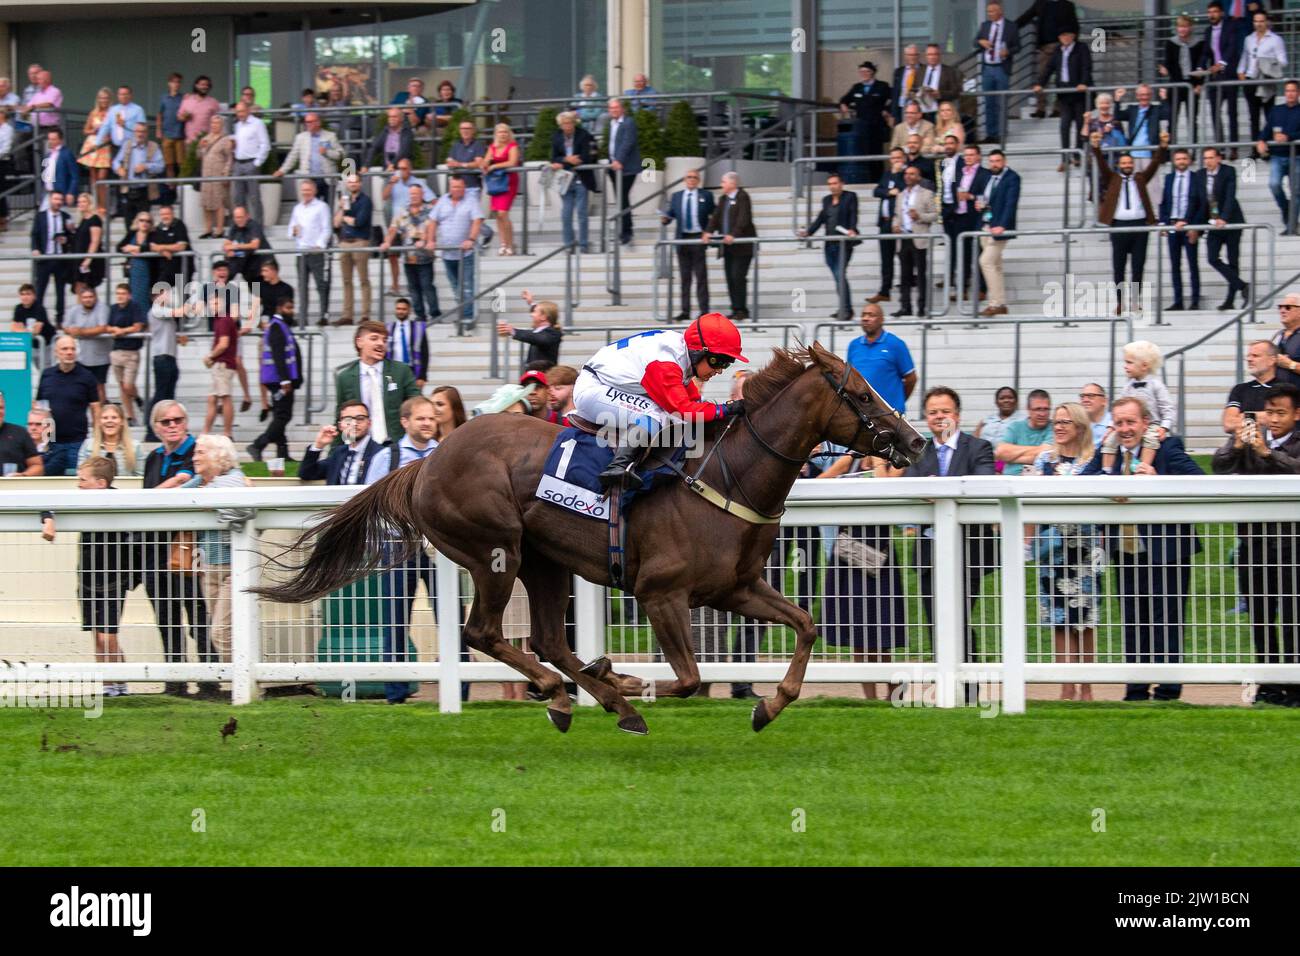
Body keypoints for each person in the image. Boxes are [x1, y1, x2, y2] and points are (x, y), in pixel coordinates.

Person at [1081, 397, 1204, 702]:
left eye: (1131, 422)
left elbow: (1199, 480)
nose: (1125, 429)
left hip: (1167, 550)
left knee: (1166, 619)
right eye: (1119, 422)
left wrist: (1159, 481)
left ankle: (1167, 689)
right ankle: (1136, 688)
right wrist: (1105, 480)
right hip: (1125, 551)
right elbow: (1083, 482)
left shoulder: (1168, 447)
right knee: (1133, 619)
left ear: (1146, 423)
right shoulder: (1108, 452)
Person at [574, 314, 748, 490]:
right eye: (716, 361)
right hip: (594, 388)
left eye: (726, 364)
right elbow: (684, 410)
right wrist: (726, 409)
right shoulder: (666, 363)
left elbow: (694, 401)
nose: (719, 370)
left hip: (610, 384)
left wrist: (721, 412)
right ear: (698, 351)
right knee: (654, 413)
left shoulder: (680, 354)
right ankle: (617, 467)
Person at [904, 386, 998, 704]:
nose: (939, 417)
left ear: (957, 415)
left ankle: (970, 690)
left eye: (944, 411)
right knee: (935, 620)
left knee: (958, 619)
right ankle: (946, 688)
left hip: (967, 553)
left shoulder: (979, 447)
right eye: (932, 412)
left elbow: (983, 484)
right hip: (929, 553)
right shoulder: (919, 450)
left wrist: (941, 489)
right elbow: (908, 483)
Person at [1212, 382, 1300, 706]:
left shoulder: (1282, 443)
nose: (1274, 419)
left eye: (1282, 412)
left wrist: (1267, 453)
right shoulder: (1250, 438)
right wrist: (1237, 445)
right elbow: (1219, 466)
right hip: (1254, 543)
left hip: (1292, 545)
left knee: (1292, 617)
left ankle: (1295, 686)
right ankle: (1269, 684)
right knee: (1261, 617)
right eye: (1271, 412)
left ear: (1296, 414)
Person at [1027, 402, 1100, 702]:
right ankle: (1064, 685)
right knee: (1058, 619)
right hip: (1052, 554)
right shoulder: (1044, 460)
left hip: (1084, 553)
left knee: (1084, 620)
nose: (1058, 427)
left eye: (1065, 422)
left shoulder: (1092, 462)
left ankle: (1087, 687)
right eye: (1056, 422)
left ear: (1080, 428)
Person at [141, 401, 210, 697]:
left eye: (177, 420)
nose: (172, 425)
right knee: (166, 617)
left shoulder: (200, 451)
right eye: (166, 422)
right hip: (157, 550)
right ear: (156, 427)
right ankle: (176, 681)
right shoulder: (153, 457)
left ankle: (210, 680)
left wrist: (171, 486)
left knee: (199, 616)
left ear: (186, 421)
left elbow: (189, 487)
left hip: (190, 547)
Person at [56, 456, 137, 697]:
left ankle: (120, 683)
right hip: (87, 579)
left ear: (101, 483)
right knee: (96, 634)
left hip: (113, 581)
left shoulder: (121, 501)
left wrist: (130, 578)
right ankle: (108, 686)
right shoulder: (79, 500)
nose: (78, 484)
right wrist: (47, 520)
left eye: (82, 480)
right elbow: (48, 506)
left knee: (108, 635)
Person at [181, 434, 253, 691]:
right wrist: (198, 483)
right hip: (209, 568)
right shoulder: (205, 482)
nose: (194, 456)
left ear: (218, 455)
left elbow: (230, 502)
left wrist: (203, 493)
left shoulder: (233, 478)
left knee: (221, 632)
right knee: (227, 631)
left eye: (200, 452)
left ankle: (243, 687)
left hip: (234, 569)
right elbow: (179, 498)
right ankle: (245, 685)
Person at [1090, 128, 1169, 313]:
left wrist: (1162, 147)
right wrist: (1096, 147)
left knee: (1138, 267)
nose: (1126, 165)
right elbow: (1101, 165)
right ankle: (1119, 302)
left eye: (1129, 162)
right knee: (1119, 267)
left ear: (1133, 165)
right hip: (1119, 226)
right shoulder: (1114, 179)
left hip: (1139, 226)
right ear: (1119, 165)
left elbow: (1155, 163)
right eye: (1123, 162)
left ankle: (1135, 301)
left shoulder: (1140, 178)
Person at [333, 321, 421, 446]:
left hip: (395, 445)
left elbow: (417, 405)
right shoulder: (345, 377)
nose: (380, 343)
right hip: (360, 446)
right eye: (374, 338)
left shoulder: (401, 371)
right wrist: (336, 452)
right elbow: (341, 417)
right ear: (359, 342)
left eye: (384, 340)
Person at [1100, 340, 1176, 474]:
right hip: (1130, 423)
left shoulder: (1156, 385)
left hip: (1153, 424)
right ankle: (1106, 471)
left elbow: (1168, 408)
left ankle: (1142, 468)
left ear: (1144, 365)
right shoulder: (1127, 386)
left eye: (1129, 363)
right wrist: (1111, 426)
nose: (1125, 366)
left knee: (1151, 439)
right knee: (1110, 440)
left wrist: (1164, 427)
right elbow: (1119, 410)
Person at [37, 336, 101, 477]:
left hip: (77, 442)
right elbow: (39, 406)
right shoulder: (46, 375)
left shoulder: (87, 376)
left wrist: (97, 437)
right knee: (47, 483)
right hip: (51, 443)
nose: (69, 352)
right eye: (65, 349)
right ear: (56, 352)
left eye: (72, 348)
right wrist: (43, 439)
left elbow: (96, 408)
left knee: (77, 481)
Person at [247, 298, 302, 463]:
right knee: (283, 416)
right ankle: (258, 444)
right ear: (279, 308)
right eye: (288, 307)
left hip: (278, 379)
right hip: (279, 380)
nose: (291, 310)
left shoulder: (279, 326)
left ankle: (282, 452)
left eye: (292, 307)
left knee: (281, 415)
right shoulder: (278, 327)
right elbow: (279, 355)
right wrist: (285, 381)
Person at [800, 173, 859, 319]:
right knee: (838, 277)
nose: (832, 186)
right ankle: (844, 308)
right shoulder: (826, 200)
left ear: (841, 184)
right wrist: (809, 232)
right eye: (830, 184)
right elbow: (821, 218)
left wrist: (852, 228)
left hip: (843, 243)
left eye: (835, 183)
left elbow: (853, 214)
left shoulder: (850, 196)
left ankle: (846, 310)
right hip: (829, 244)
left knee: (840, 276)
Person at [1198, 145, 1249, 311]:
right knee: (1212, 258)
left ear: (1218, 158)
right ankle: (1242, 286)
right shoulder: (1199, 175)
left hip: (1231, 221)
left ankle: (1230, 299)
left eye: (1211, 158)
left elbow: (1229, 196)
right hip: (1212, 223)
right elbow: (1198, 201)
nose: (1208, 161)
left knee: (1233, 261)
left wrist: (1224, 218)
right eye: (1205, 158)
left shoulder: (1228, 171)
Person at [431, 175, 484, 330]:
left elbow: (477, 221)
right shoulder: (442, 201)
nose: (456, 190)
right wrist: (430, 240)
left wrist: (471, 239)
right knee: (455, 287)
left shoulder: (471, 200)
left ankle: (467, 319)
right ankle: (464, 314)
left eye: (459, 187)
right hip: (448, 254)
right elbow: (433, 221)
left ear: (464, 187)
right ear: (450, 187)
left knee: (466, 286)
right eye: (454, 187)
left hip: (465, 254)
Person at [1157, 147, 1207, 312]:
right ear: (1173, 161)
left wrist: (1195, 227)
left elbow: (1202, 204)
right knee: (1175, 265)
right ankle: (1178, 300)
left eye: (1184, 159)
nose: (1181, 162)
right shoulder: (1169, 178)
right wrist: (1163, 223)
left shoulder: (1197, 178)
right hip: (1172, 225)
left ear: (1189, 161)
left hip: (1189, 226)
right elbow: (1164, 202)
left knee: (1193, 264)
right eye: (1178, 159)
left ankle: (1195, 300)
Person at [1033, 28, 1092, 166]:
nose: (1065, 37)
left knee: (1080, 124)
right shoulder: (1058, 50)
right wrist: (1040, 84)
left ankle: (1077, 155)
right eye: (1062, 35)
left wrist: (1083, 82)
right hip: (1064, 94)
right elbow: (1049, 68)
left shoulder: (1081, 48)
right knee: (1064, 125)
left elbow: (1086, 67)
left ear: (1073, 36)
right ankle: (1064, 158)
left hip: (1078, 93)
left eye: (1067, 34)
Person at [844, 302, 916, 415]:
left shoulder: (896, 344)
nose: (866, 318)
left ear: (881, 320)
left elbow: (911, 379)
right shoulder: (854, 346)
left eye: (871, 315)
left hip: (891, 416)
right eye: (863, 315)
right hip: (864, 416)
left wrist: (897, 402)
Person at [661, 168, 714, 321]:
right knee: (685, 278)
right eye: (689, 177)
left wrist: (709, 231)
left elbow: (715, 214)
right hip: (682, 239)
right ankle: (685, 310)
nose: (691, 179)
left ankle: (704, 310)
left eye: (694, 177)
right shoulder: (677, 196)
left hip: (698, 237)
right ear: (685, 180)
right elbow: (671, 214)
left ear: (698, 180)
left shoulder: (706, 195)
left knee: (701, 276)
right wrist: (665, 219)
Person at [703, 171, 756, 321]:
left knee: (737, 276)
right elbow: (716, 217)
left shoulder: (743, 197)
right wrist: (708, 231)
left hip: (742, 245)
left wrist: (734, 234)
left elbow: (744, 218)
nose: (721, 185)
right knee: (730, 278)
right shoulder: (723, 199)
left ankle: (742, 309)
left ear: (732, 183)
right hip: (727, 246)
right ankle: (735, 308)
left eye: (723, 182)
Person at [299, 399, 391, 485]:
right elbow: (307, 473)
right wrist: (319, 445)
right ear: (340, 426)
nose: (354, 424)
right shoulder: (339, 453)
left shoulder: (381, 454)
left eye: (360, 418)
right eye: (348, 419)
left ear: (369, 423)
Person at [381, 183, 437, 323]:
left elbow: (432, 229)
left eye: (416, 194)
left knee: (427, 286)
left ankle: (435, 314)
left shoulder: (430, 211)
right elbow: (393, 229)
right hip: (408, 257)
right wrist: (387, 242)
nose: (414, 196)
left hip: (425, 257)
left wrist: (426, 241)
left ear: (422, 195)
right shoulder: (401, 211)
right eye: (411, 194)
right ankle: (420, 315)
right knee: (413, 288)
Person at [942, 143, 990, 302]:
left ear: (978, 156)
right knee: (961, 255)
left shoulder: (985, 174)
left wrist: (971, 197)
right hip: (959, 216)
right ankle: (961, 289)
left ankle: (982, 288)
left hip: (976, 218)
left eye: (971, 155)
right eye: (966, 155)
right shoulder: (959, 172)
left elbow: (987, 196)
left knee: (979, 254)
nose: (968, 158)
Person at [1016, 0, 1081, 118]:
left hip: (1062, 47)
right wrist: (1008, 28)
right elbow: (1025, 17)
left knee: (1062, 78)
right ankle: (1041, 108)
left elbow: (1075, 26)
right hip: (1044, 47)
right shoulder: (1040, 3)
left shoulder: (1067, 5)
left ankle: (1058, 108)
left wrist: (1073, 46)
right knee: (1042, 77)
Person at [889, 163, 937, 317]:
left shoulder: (927, 193)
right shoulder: (900, 195)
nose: (908, 176)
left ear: (918, 177)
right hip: (903, 238)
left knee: (921, 275)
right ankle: (905, 307)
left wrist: (920, 216)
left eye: (912, 174)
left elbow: (935, 215)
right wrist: (895, 225)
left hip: (919, 238)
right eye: (906, 174)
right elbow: (897, 215)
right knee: (904, 275)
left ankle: (922, 307)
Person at [977, 149, 1020, 317]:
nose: (994, 164)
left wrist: (1003, 225)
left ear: (1004, 161)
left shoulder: (1012, 178)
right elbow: (985, 197)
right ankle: (1001, 303)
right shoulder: (988, 176)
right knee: (996, 265)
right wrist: (980, 205)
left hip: (999, 228)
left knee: (985, 261)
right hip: (986, 225)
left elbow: (1011, 203)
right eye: (992, 161)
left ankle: (994, 303)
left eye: (997, 161)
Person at [1238, 10, 1287, 145]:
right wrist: (1240, 71)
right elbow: (1245, 57)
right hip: (1251, 79)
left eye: (1261, 21)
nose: (1258, 24)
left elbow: (1283, 61)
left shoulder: (1276, 40)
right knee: (1253, 117)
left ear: (1267, 22)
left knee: (1269, 115)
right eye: (1256, 21)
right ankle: (1255, 147)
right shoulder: (1249, 39)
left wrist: (1267, 63)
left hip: (1267, 80)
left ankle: (1269, 146)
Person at [551, 110, 598, 254]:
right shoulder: (556, 136)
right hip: (565, 179)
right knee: (566, 213)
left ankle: (583, 244)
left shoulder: (584, 135)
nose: (568, 126)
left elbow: (587, 157)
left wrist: (565, 161)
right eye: (565, 123)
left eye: (570, 122)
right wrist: (567, 160)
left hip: (581, 178)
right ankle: (568, 244)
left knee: (582, 213)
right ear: (560, 125)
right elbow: (554, 158)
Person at [288, 179, 332, 326]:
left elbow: (326, 228)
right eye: (303, 190)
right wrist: (293, 231)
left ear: (314, 191)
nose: (305, 192)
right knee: (302, 286)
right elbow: (291, 229)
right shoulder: (297, 208)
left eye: (308, 190)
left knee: (321, 284)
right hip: (301, 251)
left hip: (315, 251)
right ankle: (303, 317)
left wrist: (319, 245)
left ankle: (323, 314)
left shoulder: (321, 207)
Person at [838, 61, 892, 182]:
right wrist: (843, 106)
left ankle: (878, 179)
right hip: (861, 128)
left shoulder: (882, 86)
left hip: (877, 126)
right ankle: (865, 179)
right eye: (861, 71)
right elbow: (844, 99)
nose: (863, 74)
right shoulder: (857, 87)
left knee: (876, 154)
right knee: (863, 153)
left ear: (872, 72)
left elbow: (893, 99)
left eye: (866, 71)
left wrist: (886, 111)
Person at [145, 285, 186, 442]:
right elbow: (180, 311)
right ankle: (151, 430)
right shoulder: (156, 309)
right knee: (161, 396)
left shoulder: (164, 312)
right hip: (162, 358)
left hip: (169, 356)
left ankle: (162, 430)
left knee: (167, 396)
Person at [1202, 2, 1245, 152]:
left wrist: (1221, 63)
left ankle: (1233, 147)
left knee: (1232, 111)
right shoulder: (1208, 31)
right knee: (1215, 111)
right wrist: (1201, 67)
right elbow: (1206, 52)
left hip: (1229, 74)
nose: (1212, 15)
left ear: (1221, 13)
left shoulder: (1230, 27)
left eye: (1214, 12)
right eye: (1209, 12)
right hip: (1214, 76)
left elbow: (1232, 48)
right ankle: (1219, 146)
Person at [974, 1, 1020, 143]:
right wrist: (981, 42)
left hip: (1002, 67)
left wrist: (1008, 52)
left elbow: (1018, 46)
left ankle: (1002, 133)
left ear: (1000, 11)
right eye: (988, 11)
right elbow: (974, 42)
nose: (990, 14)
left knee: (1002, 101)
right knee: (989, 102)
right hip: (987, 67)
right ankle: (991, 134)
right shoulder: (985, 26)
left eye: (993, 11)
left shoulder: (1011, 27)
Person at [1259, 80, 1300, 233]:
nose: (1290, 93)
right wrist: (1261, 140)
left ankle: (1291, 226)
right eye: (1288, 91)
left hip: (1297, 156)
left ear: (1298, 93)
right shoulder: (1276, 110)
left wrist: (1288, 137)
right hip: (1278, 155)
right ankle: (1287, 208)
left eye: (1293, 91)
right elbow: (1267, 129)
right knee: (1274, 185)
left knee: (1296, 191)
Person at [333, 173, 373, 327]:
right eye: (350, 182)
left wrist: (347, 219)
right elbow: (336, 223)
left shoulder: (365, 201)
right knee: (346, 281)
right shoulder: (345, 200)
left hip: (360, 242)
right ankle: (347, 315)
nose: (353, 185)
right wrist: (342, 211)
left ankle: (365, 315)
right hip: (344, 243)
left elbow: (359, 222)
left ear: (360, 183)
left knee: (363, 280)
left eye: (355, 182)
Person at [869, 148, 908, 304]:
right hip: (884, 222)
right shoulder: (886, 174)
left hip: (899, 222)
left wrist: (898, 174)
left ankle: (906, 289)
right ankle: (885, 290)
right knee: (886, 258)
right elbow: (876, 191)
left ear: (903, 159)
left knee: (904, 257)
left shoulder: (906, 174)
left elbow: (902, 190)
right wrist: (889, 192)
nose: (895, 161)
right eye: (893, 158)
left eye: (898, 158)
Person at [274, 111, 343, 200]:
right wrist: (282, 170)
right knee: (311, 208)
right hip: (308, 179)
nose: (308, 124)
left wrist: (327, 152)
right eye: (306, 122)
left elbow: (340, 154)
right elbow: (293, 156)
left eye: (310, 122)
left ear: (318, 122)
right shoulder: (301, 137)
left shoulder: (330, 136)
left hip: (326, 178)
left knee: (328, 208)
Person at [1158, 15, 1205, 142]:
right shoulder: (1171, 43)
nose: (1182, 30)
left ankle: (1193, 150)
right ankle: (1171, 150)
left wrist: (1200, 84)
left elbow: (1202, 63)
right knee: (1172, 118)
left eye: (1185, 27)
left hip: (1193, 86)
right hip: (1175, 85)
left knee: (1192, 119)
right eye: (1180, 27)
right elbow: (1167, 62)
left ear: (1190, 27)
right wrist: (1164, 68)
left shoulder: (1199, 43)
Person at [62, 286, 112, 403]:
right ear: (80, 298)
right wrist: (73, 331)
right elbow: (65, 327)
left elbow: (102, 327)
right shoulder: (74, 310)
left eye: (90, 297)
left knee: (99, 386)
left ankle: (101, 414)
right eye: (85, 297)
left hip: (100, 357)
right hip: (81, 356)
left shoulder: (102, 308)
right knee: (80, 385)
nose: (88, 299)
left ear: (95, 297)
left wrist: (80, 332)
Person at [106, 283, 147, 422]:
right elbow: (107, 326)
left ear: (129, 295)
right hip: (116, 350)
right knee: (122, 386)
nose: (120, 296)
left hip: (131, 352)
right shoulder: (113, 308)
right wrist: (114, 330)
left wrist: (122, 331)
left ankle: (138, 399)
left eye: (123, 293)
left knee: (128, 385)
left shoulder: (134, 307)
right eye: (118, 293)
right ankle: (130, 416)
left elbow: (138, 326)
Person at [30, 191, 72, 324]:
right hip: (45, 258)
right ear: (50, 200)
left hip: (60, 259)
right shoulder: (40, 216)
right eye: (55, 199)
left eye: (60, 199)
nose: (58, 202)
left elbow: (71, 236)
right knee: (40, 290)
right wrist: (35, 249)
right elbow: (34, 235)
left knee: (60, 292)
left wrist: (66, 240)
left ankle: (59, 319)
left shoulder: (66, 216)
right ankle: (38, 319)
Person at [111, 122, 164, 226]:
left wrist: (146, 166)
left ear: (147, 133)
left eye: (143, 131)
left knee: (143, 223)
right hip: (128, 189)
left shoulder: (153, 146)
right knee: (129, 224)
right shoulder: (127, 145)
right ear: (134, 132)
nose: (140, 134)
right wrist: (119, 169)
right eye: (138, 131)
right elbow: (115, 162)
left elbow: (161, 166)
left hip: (145, 191)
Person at [1223, 340, 1281, 434]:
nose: (1249, 359)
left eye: (1255, 356)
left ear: (1272, 360)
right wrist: (1262, 416)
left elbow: (1281, 420)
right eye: (1248, 356)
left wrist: (1243, 416)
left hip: (1274, 445)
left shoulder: (1285, 389)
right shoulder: (1239, 389)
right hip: (1244, 444)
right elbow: (1228, 424)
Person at [201, 298, 238, 438]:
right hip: (222, 364)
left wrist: (210, 356)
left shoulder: (223, 319)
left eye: (217, 303)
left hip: (223, 364)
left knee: (225, 397)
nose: (213, 306)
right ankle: (205, 432)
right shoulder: (221, 319)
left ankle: (227, 433)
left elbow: (223, 344)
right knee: (212, 399)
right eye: (211, 303)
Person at [497, 289, 562, 367]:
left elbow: (536, 337)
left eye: (534, 312)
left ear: (543, 317)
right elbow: (535, 335)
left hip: (545, 377)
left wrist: (513, 331)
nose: (531, 315)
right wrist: (531, 303)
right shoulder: (543, 331)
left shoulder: (553, 334)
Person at [76, 401, 142, 477]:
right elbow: (80, 475)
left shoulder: (136, 446)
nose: (109, 421)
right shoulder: (88, 445)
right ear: (100, 422)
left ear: (122, 422)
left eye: (114, 417)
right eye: (105, 418)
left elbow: (140, 478)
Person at [995, 388, 1053, 474]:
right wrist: (1038, 451)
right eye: (1038, 409)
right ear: (1028, 409)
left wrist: (1011, 458)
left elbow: (1047, 455)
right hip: (1009, 481)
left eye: (1046, 409)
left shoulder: (1054, 428)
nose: (1042, 414)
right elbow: (1000, 452)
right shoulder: (1015, 427)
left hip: (1039, 482)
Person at [606, 98, 640, 246]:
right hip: (614, 167)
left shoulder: (628, 122)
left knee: (622, 197)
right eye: (611, 108)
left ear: (622, 109)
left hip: (627, 167)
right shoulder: (612, 124)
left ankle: (627, 231)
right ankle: (625, 229)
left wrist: (619, 160)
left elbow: (628, 142)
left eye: (616, 108)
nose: (614, 110)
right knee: (620, 198)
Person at [230, 101, 270, 224]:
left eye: (241, 111)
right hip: (238, 164)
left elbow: (265, 145)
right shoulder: (237, 125)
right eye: (237, 112)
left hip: (251, 163)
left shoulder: (257, 124)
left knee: (254, 198)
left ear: (248, 110)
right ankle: (242, 226)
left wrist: (257, 163)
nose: (239, 114)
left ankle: (258, 227)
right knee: (238, 198)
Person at [485, 122, 521, 256]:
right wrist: (486, 164)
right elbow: (486, 162)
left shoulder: (512, 146)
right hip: (496, 183)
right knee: (498, 215)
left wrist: (495, 166)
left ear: (509, 133)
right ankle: (503, 243)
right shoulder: (492, 147)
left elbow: (512, 162)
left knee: (503, 213)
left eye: (505, 132)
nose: (503, 134)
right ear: (496, 134)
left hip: (509, 182)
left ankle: (510, 244)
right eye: (500, 132)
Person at [197, 114, 233, 238]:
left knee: (219, 202)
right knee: (206, 202)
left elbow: (229, 158)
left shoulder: (225, 139)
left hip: (218, 174)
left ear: (221, 125)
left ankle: (219, 229)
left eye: (217, 123)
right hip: (206, 175)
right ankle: (208, 229)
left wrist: (226, 174)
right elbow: (199, 156)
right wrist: (201, 147)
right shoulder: (206, 138)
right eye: (212, 123)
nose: (214, 125)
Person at [116, 211, 159, 314]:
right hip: (134, 272)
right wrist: (130, 250)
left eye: (148, 221)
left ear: (151, 224)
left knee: (146, 298)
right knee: (134, 297)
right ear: (137, 222)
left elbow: (152, 248)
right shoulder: (132, 233)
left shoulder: (153, 234)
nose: (145, 223)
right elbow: (119, 247)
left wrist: (136, 248)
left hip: (149, 271)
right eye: (142, 220)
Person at [78, 88, 113, 213]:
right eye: (101, 98)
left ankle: (103, 206)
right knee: (93, 178)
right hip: (93, 145)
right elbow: (85, 130)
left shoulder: (112, 113)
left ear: (109, 99)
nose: (103, 100)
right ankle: (95, 205)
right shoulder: (94, 113)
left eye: (106, 98)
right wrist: (93, 130)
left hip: (105, 145)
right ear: (98, 99)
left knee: (102, 178)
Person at [149, 203, 191, 298]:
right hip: (165, 269)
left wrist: (161, 248)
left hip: (181, 269)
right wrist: (163, 251)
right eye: (163, 214)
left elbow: (181, 246)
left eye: (167, 214)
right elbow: (152, 246)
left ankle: (184, 312)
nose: (165, 216)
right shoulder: (158, 228)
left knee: (183, 298)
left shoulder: (179, 225)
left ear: (172, 214)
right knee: (157, 294)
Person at [1114, 84, 1160, 172]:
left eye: (1147, 94)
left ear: (1151, 96)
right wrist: (1117, 99)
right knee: (1135, 183)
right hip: (1134, 153)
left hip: (1150, 153)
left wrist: (1164, 99)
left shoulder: (1156, 109)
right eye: (1142, 95)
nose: (1144, 97)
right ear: (1137, 96)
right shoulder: (1132, 109)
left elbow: (1168, 114)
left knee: (1151, 185)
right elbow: (1118, 116)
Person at [224, 205, 272, 287]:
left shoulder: (254, 225)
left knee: (263, 294)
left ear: (247, 216)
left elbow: (254, 245)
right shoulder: (234, 227)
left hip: (261, 267)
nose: (239, 220)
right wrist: (229, 250)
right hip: (247, 267)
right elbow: (226, 245)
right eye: (236, 217)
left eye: (241, 217)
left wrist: (235, 247)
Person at [386, 298, 429, 387]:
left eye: (404, 309)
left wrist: (422, 376)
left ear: (409, 311)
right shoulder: (388, 328)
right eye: (398, 309)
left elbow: (425, 353)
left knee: (413, 398)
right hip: (393, 370)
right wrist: (386, 375)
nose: (400, 311)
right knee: (394, 397)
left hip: (412, 369)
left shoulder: (418, 327)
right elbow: (384, 353)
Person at [0, 390, 43, 477]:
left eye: (1, 407)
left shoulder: (20, 432)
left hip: (12, 488)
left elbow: (38, 466)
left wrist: (23, 476)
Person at [156, 72, 186, 197]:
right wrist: (158, 130)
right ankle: (171, 189)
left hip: (180, 135)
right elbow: (159, 114)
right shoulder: (164, 98)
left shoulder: (183, 98)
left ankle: (181, 189)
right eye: (174, 82)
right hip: (167, 135)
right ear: (169, 83)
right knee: (169, 164)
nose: (176, 84)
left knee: (181, 163)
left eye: (178, 82)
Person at [70, 192, 105, 295]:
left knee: (88, 289)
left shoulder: (95, 219)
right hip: (80, 257)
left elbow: (95, 241)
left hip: (89, 258)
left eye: (84, 201)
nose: (80, 204)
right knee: (79, 287)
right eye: (79, 202)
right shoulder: (82, 219)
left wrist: (88, 259)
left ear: (90, 203)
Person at [974, 385, 1025, 452]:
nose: (1006, 400)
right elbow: (974, 440)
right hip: (983, 457)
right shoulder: (987, 420)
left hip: (1006, 459)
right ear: (996, 402)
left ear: (1016, 401)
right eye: (1002, 398)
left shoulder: (1023, 420)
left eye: (1010, 398)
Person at [364, 107, 415, 173]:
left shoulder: (406, 132)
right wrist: (366, 165)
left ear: (401, 119)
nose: (391, 119)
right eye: (389, 117)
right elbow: (374, 147)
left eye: (394, 117)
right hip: (387, 169)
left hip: (401, 170)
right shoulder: (385, 131)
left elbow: (404, 151)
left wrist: (393, 164)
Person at [444, 119, 486, 196]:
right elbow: (449, 161)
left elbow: (479, 163)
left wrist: (460, 164)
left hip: (472, 187)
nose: (465, 131)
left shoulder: (478, 145)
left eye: (468, 129)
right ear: (459, 130)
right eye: (463, 128)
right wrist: (451, 162)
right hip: (456, 187)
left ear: (473, 131)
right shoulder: (456, 145)